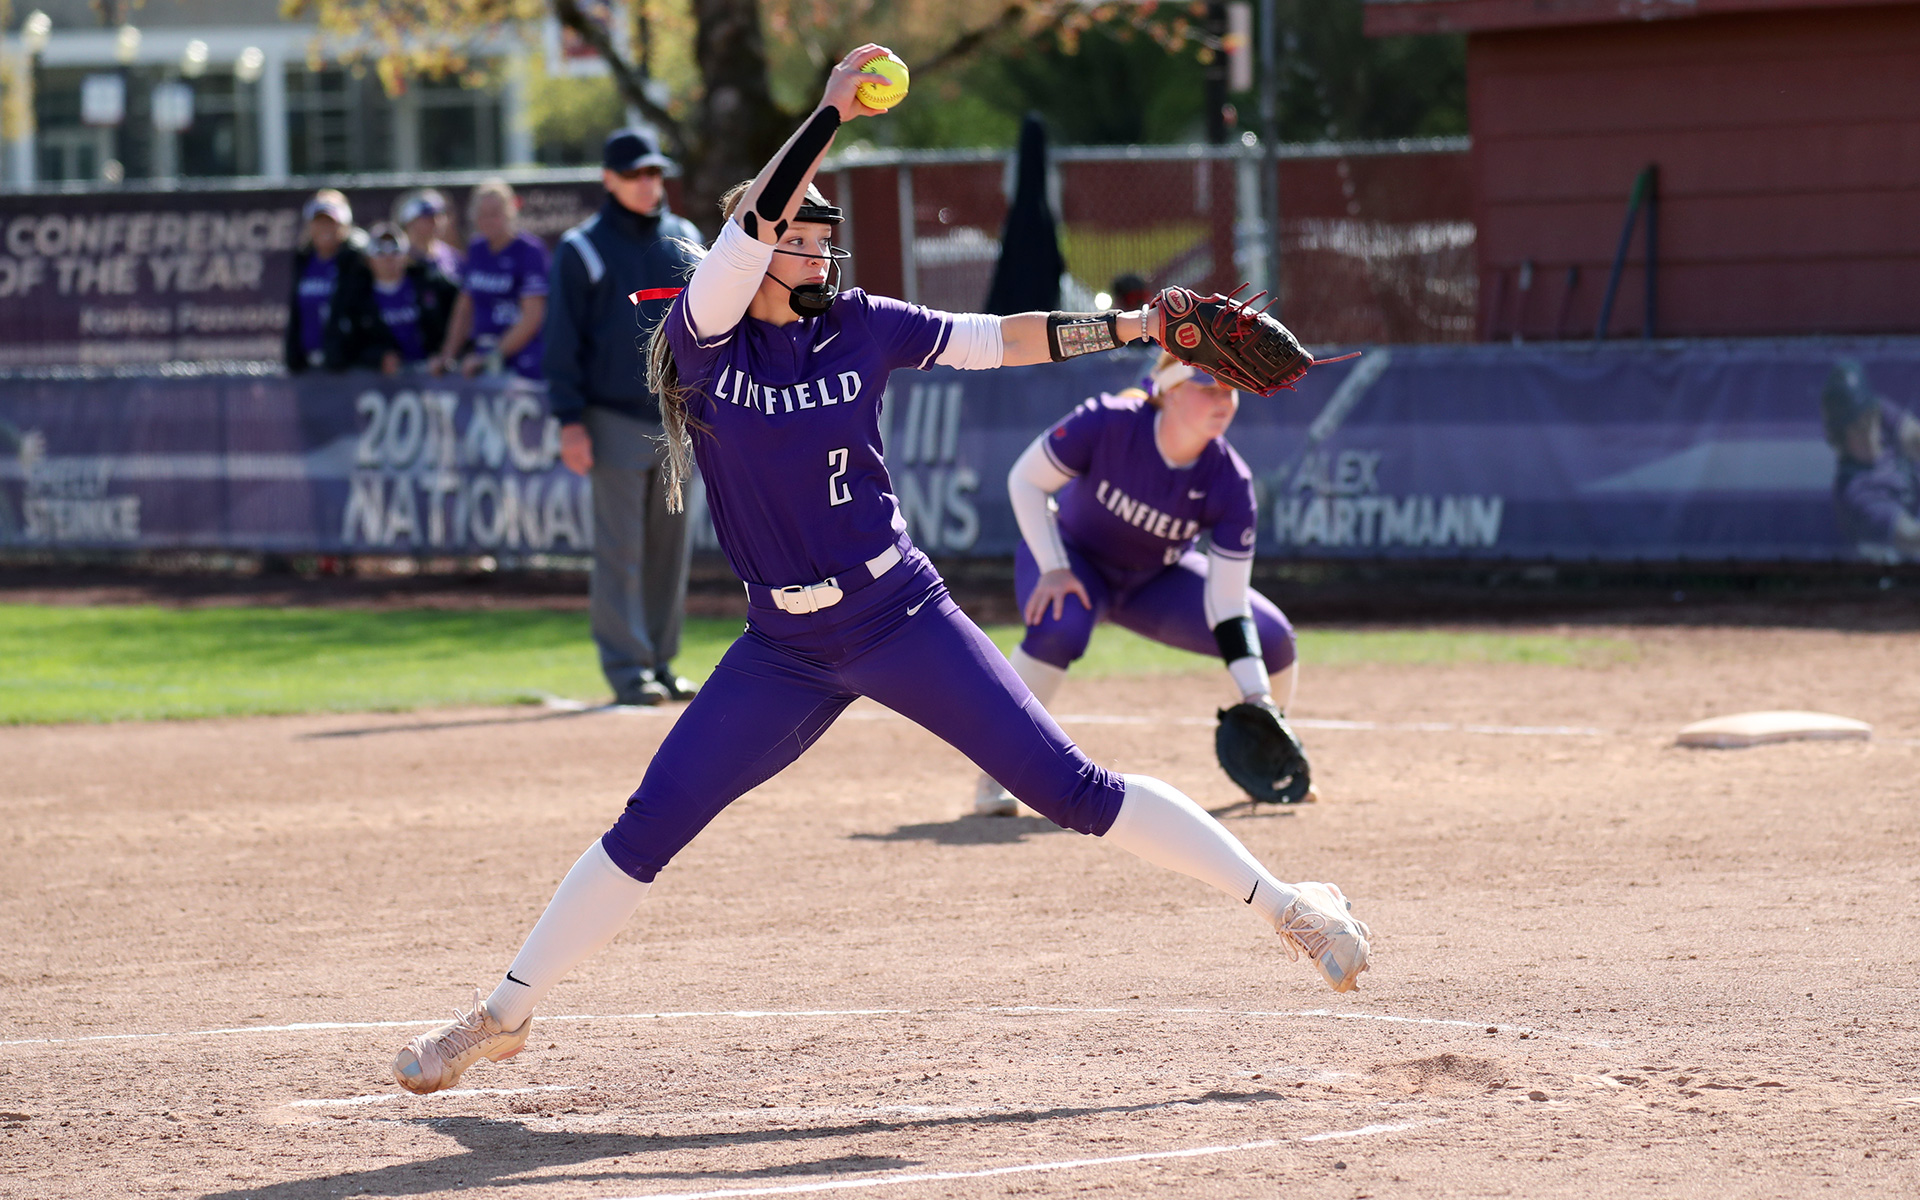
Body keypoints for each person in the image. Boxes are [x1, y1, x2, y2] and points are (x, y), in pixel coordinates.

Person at [390, 45, 1371, 1098]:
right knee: (650, 823)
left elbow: (995, 340)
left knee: (1070, 789)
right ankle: (503, 1015)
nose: (821, 257)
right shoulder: (706, 340)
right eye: (802, 240)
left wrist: (1133, 325)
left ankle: (1289, 907)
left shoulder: (859, 327)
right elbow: (744, 233)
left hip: (899, 610)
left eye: (823, 241)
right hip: (786, 647)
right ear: (757, 250)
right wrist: (825, 115)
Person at [974, 353, 1309, 816]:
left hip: (1155, 579)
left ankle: (1267, 761)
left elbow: (1229, 606)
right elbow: (1026, 481)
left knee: (1273, 638)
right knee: (1060, 624)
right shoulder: (1110, 422)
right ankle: (996, 774)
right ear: (1169, 391)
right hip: (1073, 560)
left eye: (1229, 390)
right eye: (1207, 387)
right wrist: (1053, 565)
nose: (1223, 400)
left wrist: (1258, 699)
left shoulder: (1231, 481)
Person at [546, 129, 707, 707]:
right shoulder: (582, 248)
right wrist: (569, 419)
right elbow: (562, 341)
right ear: (609, 178)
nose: (649, 184)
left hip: (678, 418)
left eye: (655, 173)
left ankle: (662, 662)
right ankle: (626, 667)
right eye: (637, 174)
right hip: (611, 416)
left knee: (670, 549)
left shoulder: (686, 237)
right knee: (621, 549)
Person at [430, 181, 550, 382]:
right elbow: (464, 308)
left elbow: (533, 316)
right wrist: (448, 354)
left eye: (495, 213)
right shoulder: (477, 249)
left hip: (524, 357)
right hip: (481, 354)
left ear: (510, 212)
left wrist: (493, 356)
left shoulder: (530, 251)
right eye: (482, 214)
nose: (488, 220)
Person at [1822, 359, 1920, 561]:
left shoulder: (1877, 413)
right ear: (1840, 437)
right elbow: (1910, 536)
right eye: (1856, 428)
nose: (1868, 433)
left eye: (1869, 419)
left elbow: (1914, 437)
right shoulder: (1853, 490)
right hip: (1899, 580)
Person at [349, 223, 459, 375]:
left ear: (406, 255)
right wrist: (378, 358)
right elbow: (349, 345)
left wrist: (444, 354)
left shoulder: (430, 283)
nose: (388, 257)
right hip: (384, 385)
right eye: (380, 251)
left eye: (395, 250)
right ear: (369, 260)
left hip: (432, 377)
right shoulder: (358, 297)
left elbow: (459, 313)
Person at [284, 189, 370, 373]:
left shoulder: (357, 262)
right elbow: (297, 313)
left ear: (345, 225)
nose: (325, 229)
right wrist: (293, 355)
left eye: (331, 222)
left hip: (346, 371)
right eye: (319, 222)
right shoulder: (304, 261)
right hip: (308, 369)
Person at [395, 188, 463, 281]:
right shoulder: (396, 259)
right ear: (410, 222)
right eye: (428, 217)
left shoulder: (453, 257)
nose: (435, 221)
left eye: (439, 216)